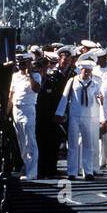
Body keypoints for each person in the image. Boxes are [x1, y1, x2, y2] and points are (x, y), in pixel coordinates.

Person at [56, 59, 101, 179]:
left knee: (88, 145)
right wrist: (59, 112)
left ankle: (88, 171)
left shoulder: (95, 84)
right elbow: (65, 97)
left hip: (88, 116)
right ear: (80, 70)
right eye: (85, 71)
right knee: (72, 144)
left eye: (89, 71)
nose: (87, 73)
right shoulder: (72, 81)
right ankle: (72, 172)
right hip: (74, 116)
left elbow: (98, 100)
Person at [35, 48, 71, 178]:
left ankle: (51, 168)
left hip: (51, 118)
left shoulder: (53, 81)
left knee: (52, 144)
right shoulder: (34, 82)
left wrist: (60, 114)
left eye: (45, 67)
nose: (43, 70)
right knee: (40, 144)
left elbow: (59, 100)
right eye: (41, 67)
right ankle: (40, 169)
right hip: (38, 118)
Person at [9, 53, 41, 179]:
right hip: (16, 109)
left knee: (30, 141)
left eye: (23, 63)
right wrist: (7, 112)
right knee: (21, 142)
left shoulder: (36, 75)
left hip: (28, 109)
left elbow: (36, 89)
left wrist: (29, 74)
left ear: (29, 63)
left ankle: (32, 172)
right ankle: (26, 166)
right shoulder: (15, 76)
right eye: (19, 63)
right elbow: (11, 95)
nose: (20, 66)